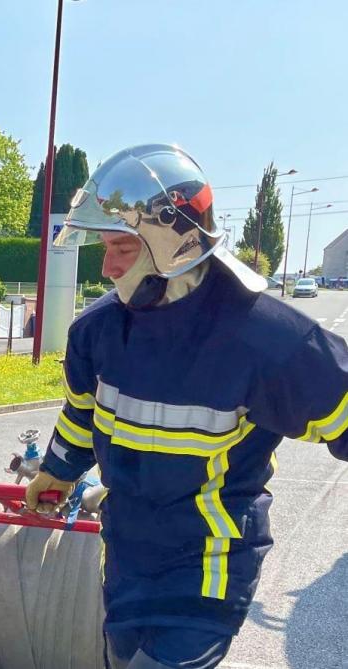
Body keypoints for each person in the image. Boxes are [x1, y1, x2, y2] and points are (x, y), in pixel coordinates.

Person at [24, 144, 348, 669]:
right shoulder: (97, 332)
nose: (106, 269)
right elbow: (82, 414)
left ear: (171, 245)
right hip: (126, 558)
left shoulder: (267, 339)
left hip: (208, 570)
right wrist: (58, 471)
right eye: (102, 250)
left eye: (121, 250)